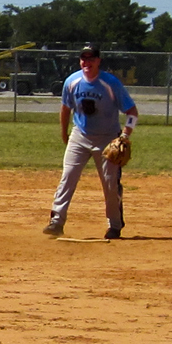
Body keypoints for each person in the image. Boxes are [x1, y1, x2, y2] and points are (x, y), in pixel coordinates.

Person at [43, 44, 136, 241]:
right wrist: (64, 133)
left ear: (98, 61)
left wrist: (125, 135)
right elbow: (65, 108)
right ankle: (56, 222)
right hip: (80, 135)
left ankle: (115, 225)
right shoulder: (72, 81)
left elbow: (132, 113)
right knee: (68, 176)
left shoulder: (111, 83)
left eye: (91, 58)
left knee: (110, 184)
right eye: (83, 59)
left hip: (107, 137)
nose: (87, 62)